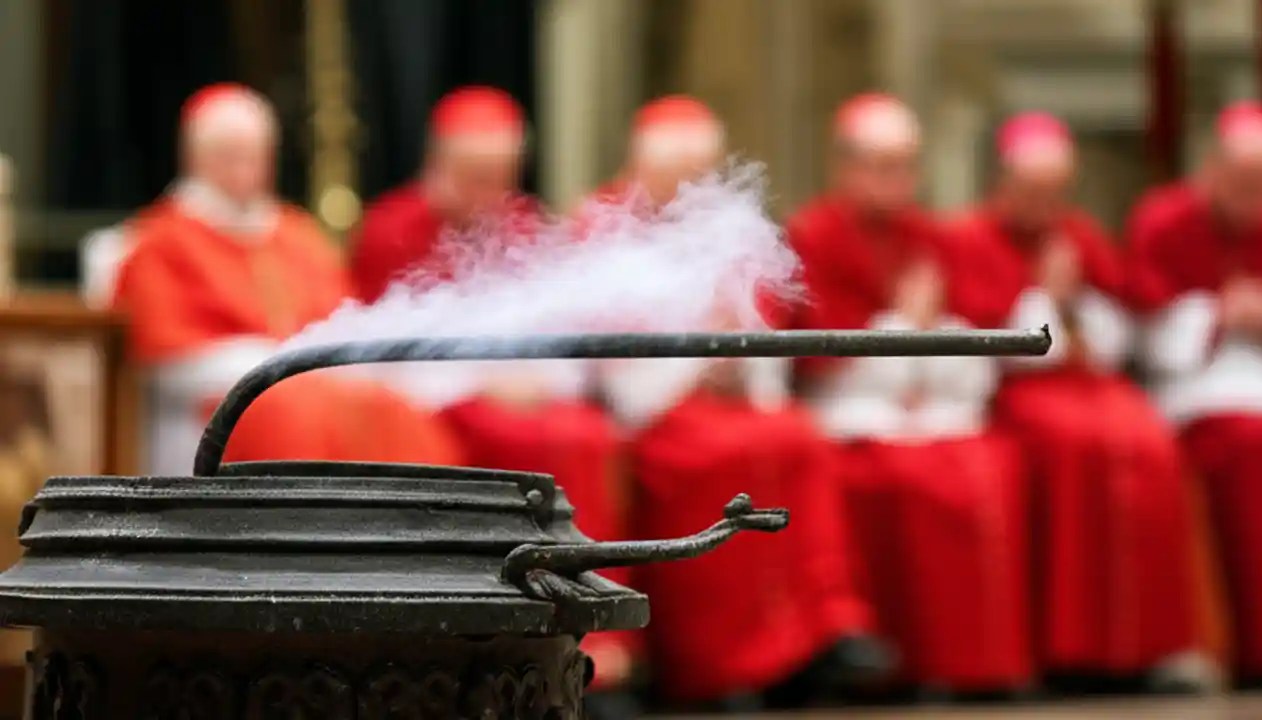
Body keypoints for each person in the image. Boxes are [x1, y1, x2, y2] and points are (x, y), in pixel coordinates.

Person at [595, 96, 890, 710]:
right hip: (661, 412)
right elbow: (614, 362)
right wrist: (703, 356)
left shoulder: (730, 233)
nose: (698, 190)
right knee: (720, 455)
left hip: (732, 405)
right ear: (645, 172)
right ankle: (720, 666)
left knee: (796, 437)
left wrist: (738, 352)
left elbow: (767, 338)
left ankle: (811, 641)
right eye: (684, 176)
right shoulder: (609, 230)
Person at [349, 87, 636, 697]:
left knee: (590, 434)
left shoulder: (527, 224)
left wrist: (539, 378)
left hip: (530, 400)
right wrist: (483, 377)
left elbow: (567, 334)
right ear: (439, 165)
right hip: (437, 406)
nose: (490, 191)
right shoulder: (391, 228)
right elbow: (375, 355)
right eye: (475, 175)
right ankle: (518, 641)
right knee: (527, 444)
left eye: (500, 176)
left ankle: (600, 643)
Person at [945, 112, 1204, 688]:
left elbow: (1115, 327)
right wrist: (1047, 295)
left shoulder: (1078, 233)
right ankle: (1069, 650)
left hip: (1093, 383)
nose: (1046, 203)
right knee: (1072, 448)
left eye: (1056, 190)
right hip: (1021, 390)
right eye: (1033, 190)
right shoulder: (971, 236)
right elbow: (989, 341)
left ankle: (1144, 649)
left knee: (1149, 441)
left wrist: (1078, 306)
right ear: (1002, 182)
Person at [785, 94, 1032, 695]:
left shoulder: (932, 236)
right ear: (846, 167)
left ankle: (978, 666)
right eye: (883, 166)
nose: (899, 182)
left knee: (990, 463)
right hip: (855, 409)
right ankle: (907, 662)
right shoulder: (814, 235)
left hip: (932, 406)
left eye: (907, 166)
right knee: (909, 477)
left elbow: (976, 333)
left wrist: (926, 349)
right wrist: (906, 328)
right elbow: (818, 356)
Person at [111, 84, 461, 475]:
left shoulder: (298, 234)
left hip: (314, 385)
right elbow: (160, 353)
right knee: (290, 412)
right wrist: (266, 362)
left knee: (394, 408)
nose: (244, 170)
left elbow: (340, 323)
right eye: (230, 156)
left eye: (254, 157)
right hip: (229, 395)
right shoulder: (161, 241)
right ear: (196, 158)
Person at [1128, 102, 1262, 680]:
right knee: (1248, 448)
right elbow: (1147, 328)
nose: (1256, 197)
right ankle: (1252, 648)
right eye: (1244, 182)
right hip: (1198, 388)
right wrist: (1217, 314)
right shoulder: (1164, 221)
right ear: (1212, 169)